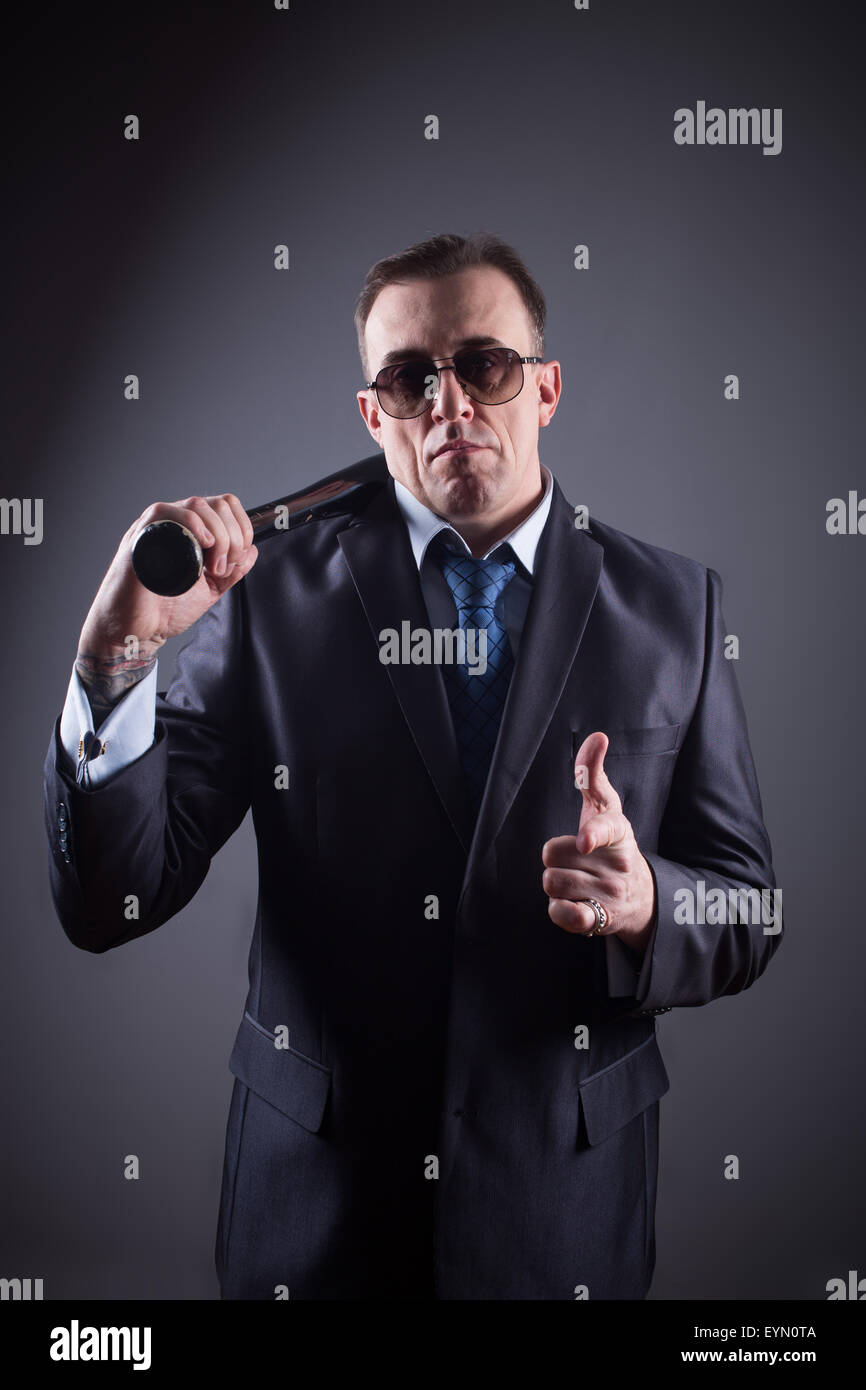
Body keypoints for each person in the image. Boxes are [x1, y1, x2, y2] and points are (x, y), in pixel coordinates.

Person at [43, 231, 782, 1300]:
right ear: (372, 414)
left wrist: (645, 901)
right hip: (314, 1218)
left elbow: (751, 911)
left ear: (545, 388)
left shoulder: (675, 608)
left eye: (482, 365)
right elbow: (109, 901)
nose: (449, 404)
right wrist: (117, 659)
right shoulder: (263, 602)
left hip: (560, 1217)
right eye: (408, 378)